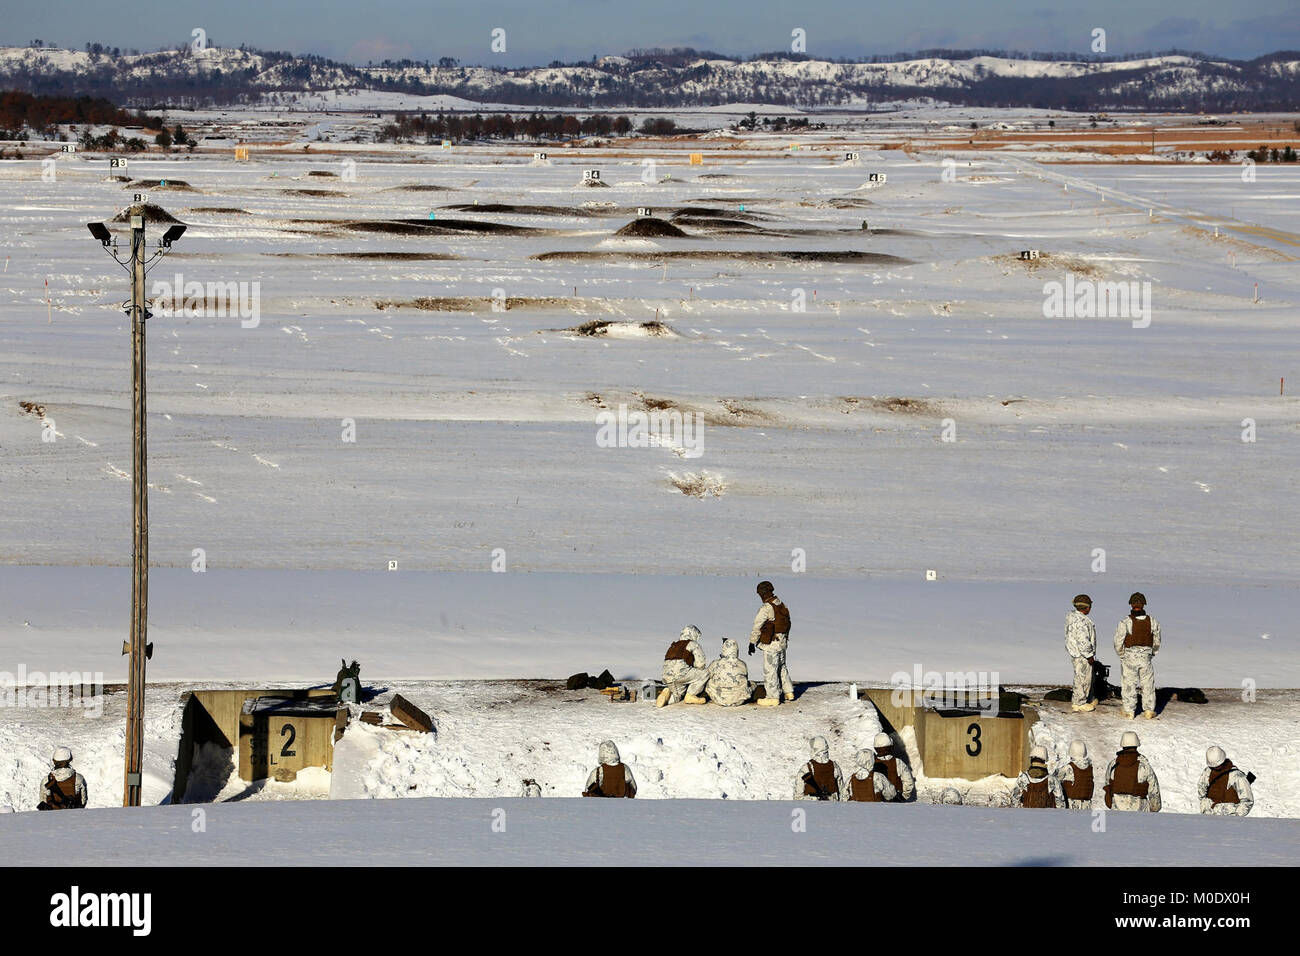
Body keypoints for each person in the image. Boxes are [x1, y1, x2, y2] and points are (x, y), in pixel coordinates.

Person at [1113, 592, 1160, 719]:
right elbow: (1157, 641)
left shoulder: (1125, 622)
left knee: (1129, 684)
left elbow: (1118, 641)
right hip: (1146, 657)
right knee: (1148, 684)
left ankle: (1129, 711)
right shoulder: (1153, 621)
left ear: (1131, 605)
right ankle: (1149, 711)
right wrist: (1151, 654)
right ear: (1144, 605)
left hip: (1129, 656)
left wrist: (1122, 654)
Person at [749, 581, 793, 706]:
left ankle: (772, 697)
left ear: (764, 593)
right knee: (781, 666)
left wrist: (752, 642)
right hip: (782, 641)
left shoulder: (767, 608)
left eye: (761, 593)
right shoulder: (781, 604)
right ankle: (788, 691)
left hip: (772, 644)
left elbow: (757, 625)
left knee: (770, 670)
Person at [1103, 731, 1161, 812]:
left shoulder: (1113, 764)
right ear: (1137, 745)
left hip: (1116, 813)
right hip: (1140, 814)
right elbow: (1154, 791)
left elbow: (1108, 786)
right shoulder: (1144, 766)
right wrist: (1155, 808)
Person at [656, 624, 708, 707]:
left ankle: (666, 694)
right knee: (705, 673)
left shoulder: (674, 645)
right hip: (681, 674)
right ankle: (691, 695)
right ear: (693, 634)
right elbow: (701, 665)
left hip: (667, 677)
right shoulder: (692, 644)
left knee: (677, 696)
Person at [1198, 746, 1254, 817]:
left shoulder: (1237, 776)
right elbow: (1201, 793)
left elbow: (1247, 801)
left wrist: (1236, 817)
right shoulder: (1207, 772)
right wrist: (1206, 809)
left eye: (1217, 766)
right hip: (1210, 819)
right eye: (1213, 766)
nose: (1215, 768)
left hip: (1229, 821)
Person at [1065, 594, 1098, 712]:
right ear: (1087, 607)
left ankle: (1084, 698)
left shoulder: (1074, 618)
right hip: (1082, 654)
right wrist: (1089, 655)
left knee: (1083, 677)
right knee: (1082, 678)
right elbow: (1083, 640)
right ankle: (1079, 703)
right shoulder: (1081, 622)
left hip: (1077, 653)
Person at [794, 736, 844, 801]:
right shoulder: (835, 767)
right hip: (832, 808)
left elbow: (798, 796)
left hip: (812, 808)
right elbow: (842, 793)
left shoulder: (806, 768)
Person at [704, 638, 751, 706]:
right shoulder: (742, 664)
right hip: (739, 700)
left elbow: (707, 675)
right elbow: (745, 678)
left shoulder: (715, 663)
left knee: (709, 681)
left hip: (718, 699)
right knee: (748, 683)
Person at [37, 747, 87, 811]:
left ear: (54, 761)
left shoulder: (46, 780)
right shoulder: (79, 778)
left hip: (52, 818)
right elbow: (83, 802)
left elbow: (43, 801)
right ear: (69, 760)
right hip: (74, 817)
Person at [870, 732, 915, 802]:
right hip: (895, 799)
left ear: (875, 748)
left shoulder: (871, 763)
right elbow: (908, 782)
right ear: (890, 747)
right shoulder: (898, 762)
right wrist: (903, 797)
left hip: (876, 801)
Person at [1056, 739, 1095, 810]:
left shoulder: (1068, 767)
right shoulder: (1089, 768)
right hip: (1086, 804)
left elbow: (1056, 779)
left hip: (1071, 803)